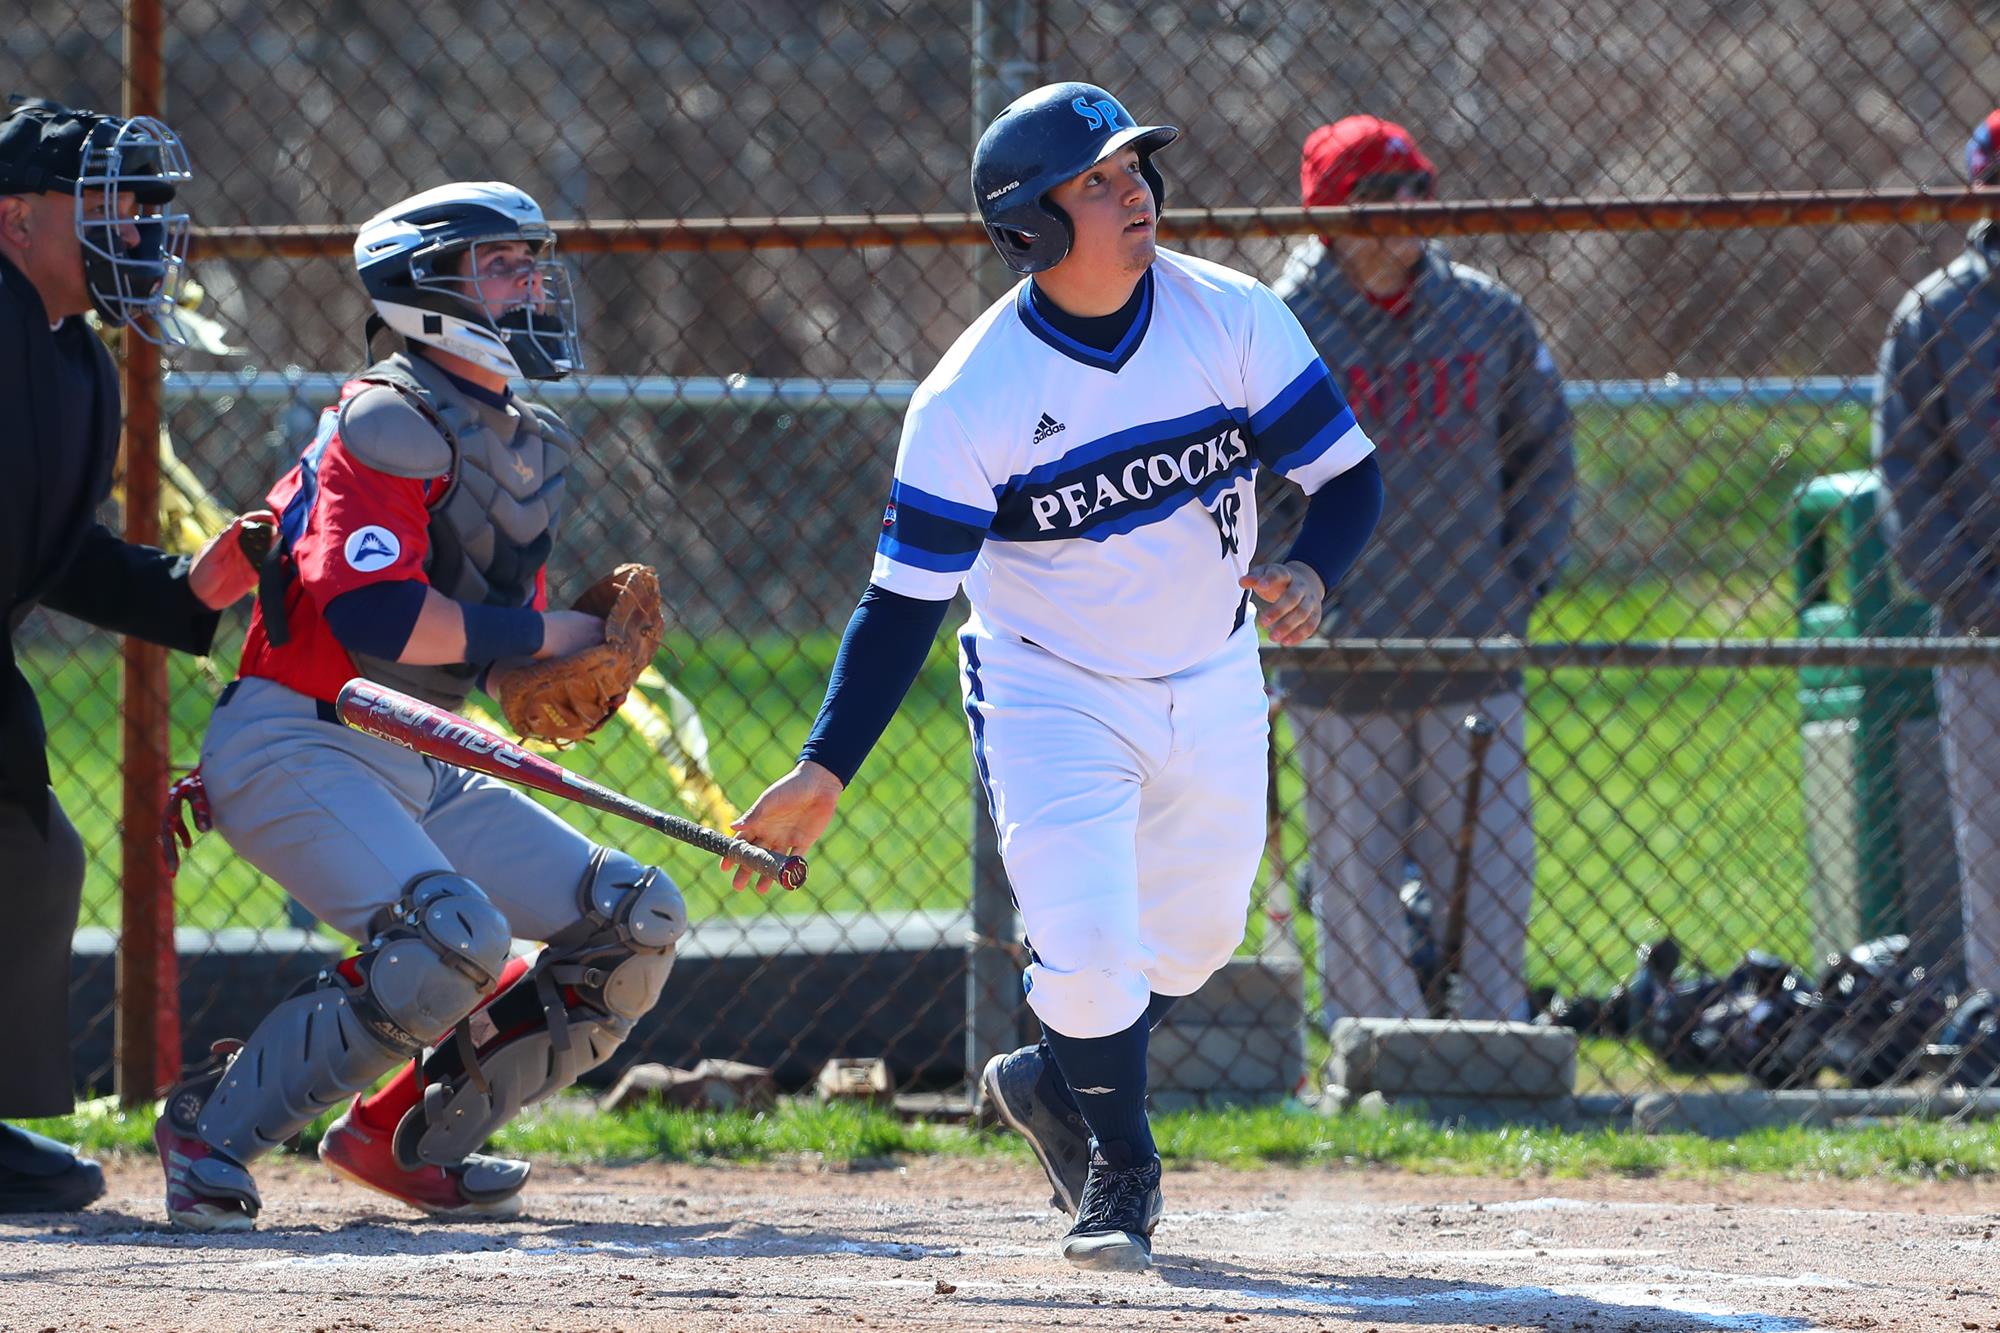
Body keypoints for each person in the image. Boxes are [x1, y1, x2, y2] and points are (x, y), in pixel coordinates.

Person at [724, 82, 1383, 1271]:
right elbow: (900, 604)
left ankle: (1050, 1075)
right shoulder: (970, 398)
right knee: (1082, 938)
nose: (1131, 192)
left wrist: (1314, 574)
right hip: (1050, 689)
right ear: (1028, 224)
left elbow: (1347, 478)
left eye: (1134, 170)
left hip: (1213, 667)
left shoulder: (1225, 315)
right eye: (1096, 180)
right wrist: (823, 768)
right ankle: (1120, 1171)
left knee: (1192, 941)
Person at [152, 181, 685, 1233]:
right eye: (499, 265)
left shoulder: (516, 435)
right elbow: (376, 619)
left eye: (532, 263)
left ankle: (405, 1139)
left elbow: (481, 646)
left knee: (634, 919)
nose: (529, 283)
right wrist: (547, 641)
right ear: (423, 290)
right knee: (452, 936)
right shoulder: (384, 416)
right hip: (294, 735)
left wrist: (543, 683)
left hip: (416, 749)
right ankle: (211, 1126)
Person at [0, 96, 264, 1213]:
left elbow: (51, 553)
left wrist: (190, 591)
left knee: (32, 849)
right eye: (107, 202)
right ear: (16, 218)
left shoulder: (81, 364)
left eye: (149, 206)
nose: (140, 227)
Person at [1270, 115, 1573, 1024]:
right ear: (1330, 213)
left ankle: (1490, 1041)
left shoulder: (1485, 313)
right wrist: (1280, 582)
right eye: (1379, 195)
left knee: (1490, 860)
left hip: (1469, 629)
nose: (1407, 211)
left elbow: (1544, 452)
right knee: (1352, 869)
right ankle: (1379, 1047)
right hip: (1337, 641)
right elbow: (1238, 477)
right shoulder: (1284, 324)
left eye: (1418, 190)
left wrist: (1519, 583)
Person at [1877, 106, 2000, 999]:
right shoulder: (1937, 315)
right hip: (1982, 621)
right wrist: (1981, 595)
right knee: (1992, 843)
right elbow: (1909, 481)